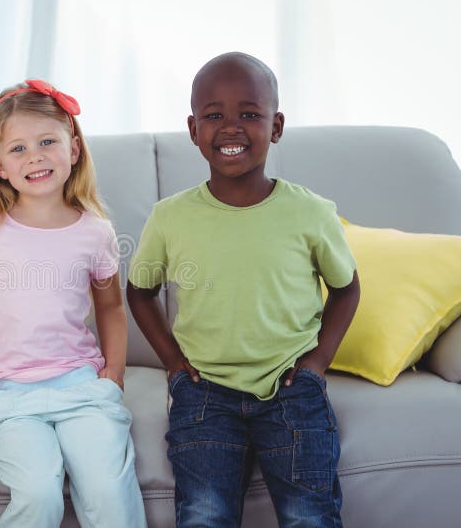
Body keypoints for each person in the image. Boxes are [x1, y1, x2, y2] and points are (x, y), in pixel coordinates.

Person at [126, 52, 361, 527]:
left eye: (248, 114)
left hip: (292, 389)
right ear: (194, 130)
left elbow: (347, 289)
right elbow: (138, 292)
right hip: (204, 393)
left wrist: (316, 363)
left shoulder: (311, 212)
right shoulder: (170, 217)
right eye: (214, 115)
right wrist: (174, 364)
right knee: (203, 515)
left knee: (309, 516)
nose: (230, 127)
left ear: (275, 126)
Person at [0, 79, 147, 528]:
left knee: (108, 492)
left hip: (81, 386)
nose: (35, 156)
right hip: (9, 394)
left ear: (73, 149)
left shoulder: (95, 230)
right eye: (17, 149)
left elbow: (111, 308)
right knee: (40, 494)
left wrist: (112, 374)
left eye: (47, 142)